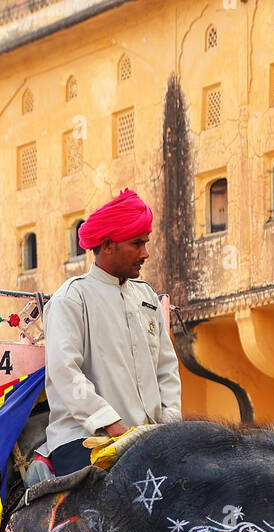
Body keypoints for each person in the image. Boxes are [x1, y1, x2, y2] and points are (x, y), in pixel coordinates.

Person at [40, 188, 182, 478]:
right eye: (137, 244)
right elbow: (64, 371)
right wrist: (109, 423)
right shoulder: (72, 298)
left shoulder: (147, 297)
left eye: (146, 243)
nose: (146, 253)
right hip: (85, 440)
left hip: (146, 442)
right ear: (107, 245)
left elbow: (166, 370)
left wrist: (169, 425)